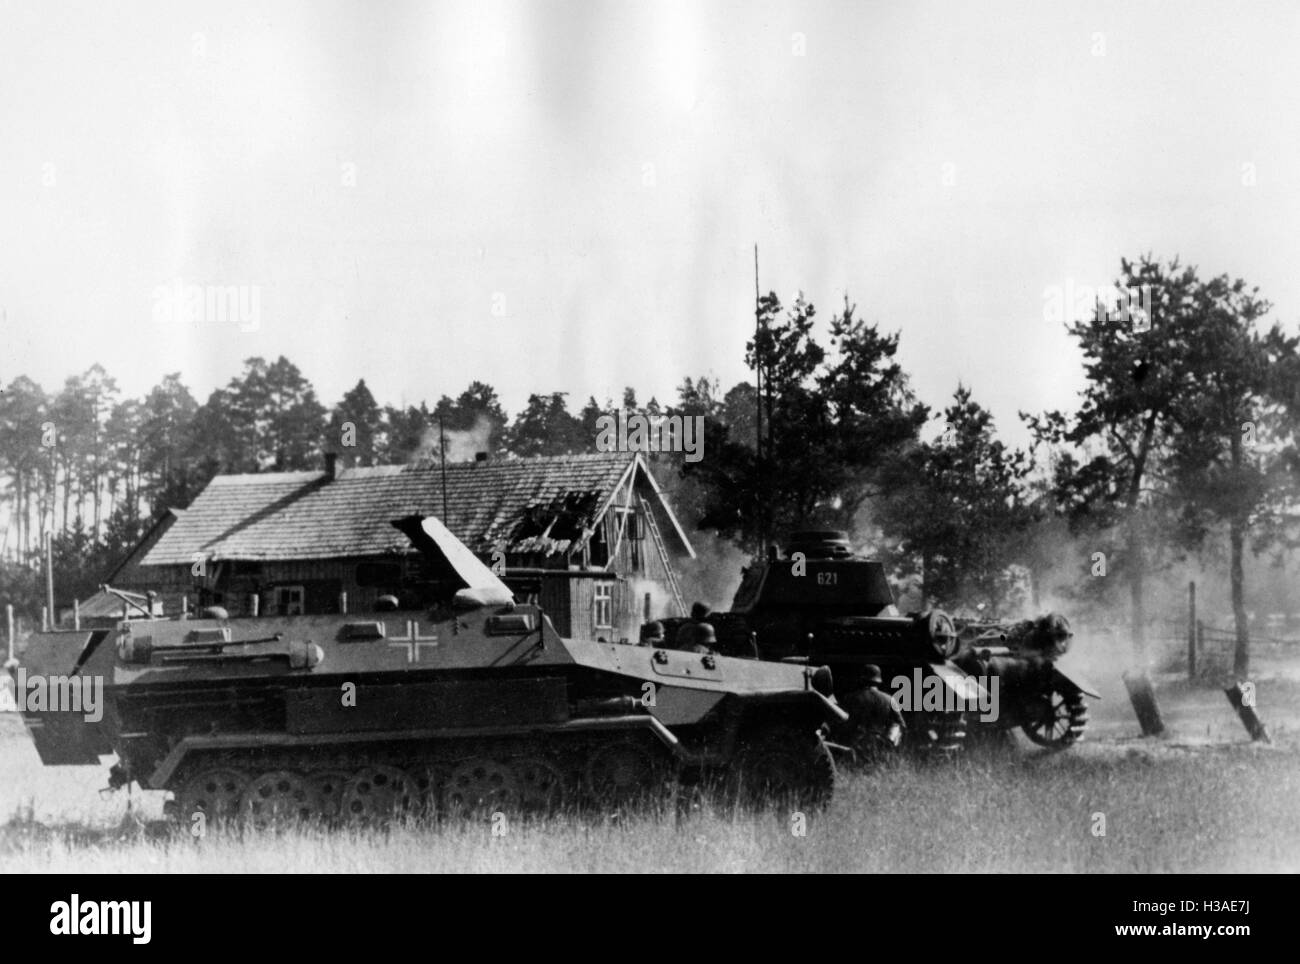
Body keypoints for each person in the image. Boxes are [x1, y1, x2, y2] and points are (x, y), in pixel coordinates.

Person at [839, 664, 905, 761]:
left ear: (862, 679)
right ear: (878, 681)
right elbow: (901, 725)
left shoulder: (850, 698)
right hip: (881, 747)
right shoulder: (890, 700)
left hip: (854, 747)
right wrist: (889, 741)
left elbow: (840, 722)